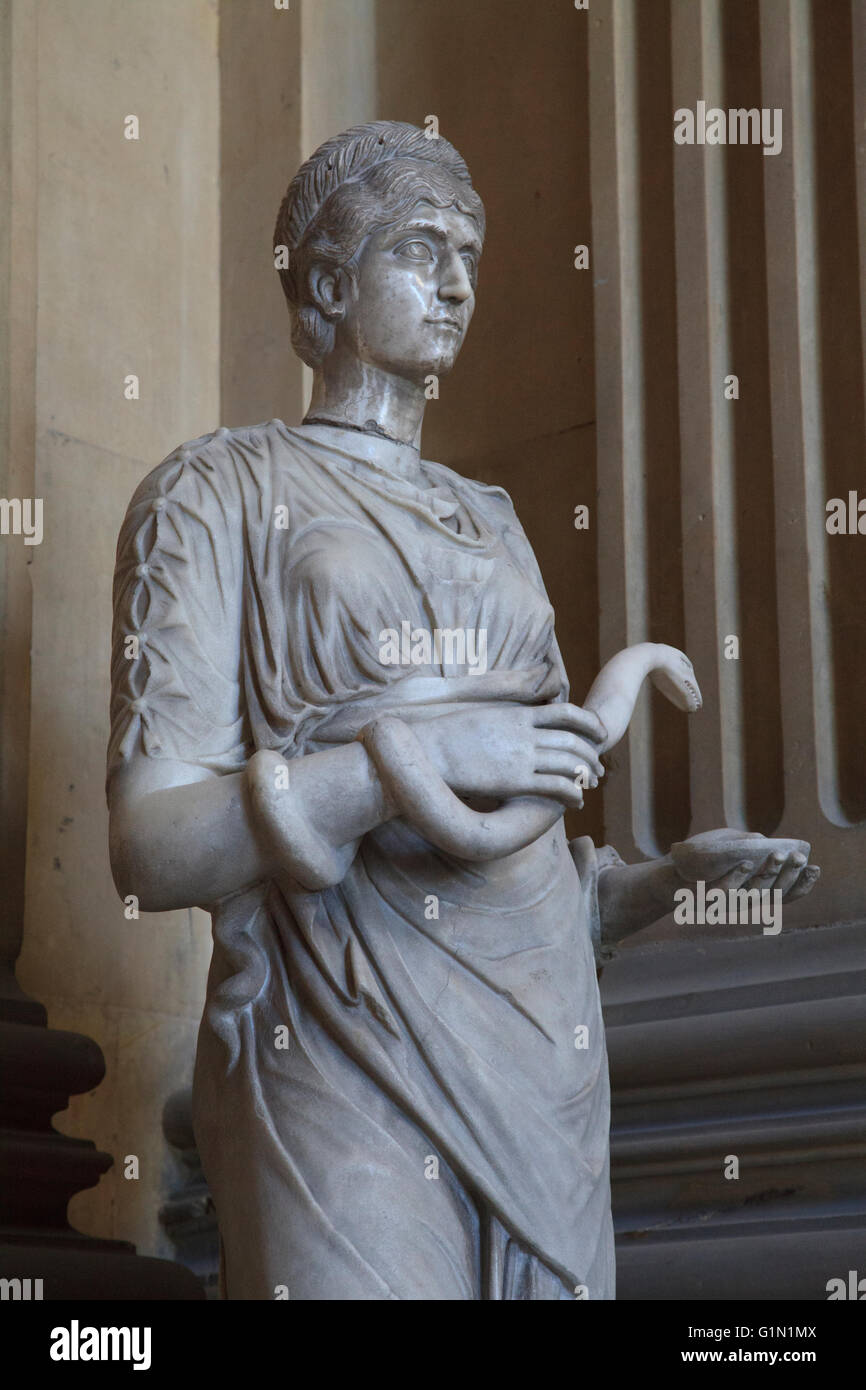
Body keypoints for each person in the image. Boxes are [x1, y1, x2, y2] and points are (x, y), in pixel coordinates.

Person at [107, 121, 818, 1300]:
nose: (455, 283)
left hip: (540, 1043)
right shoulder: (213, 490)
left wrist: (655, 886)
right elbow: (148, 845)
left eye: (470, 255)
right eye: (419, 248)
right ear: (329, 282)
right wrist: (399, 763)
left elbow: (519, 829)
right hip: (336, 1025)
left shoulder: (491, 518)